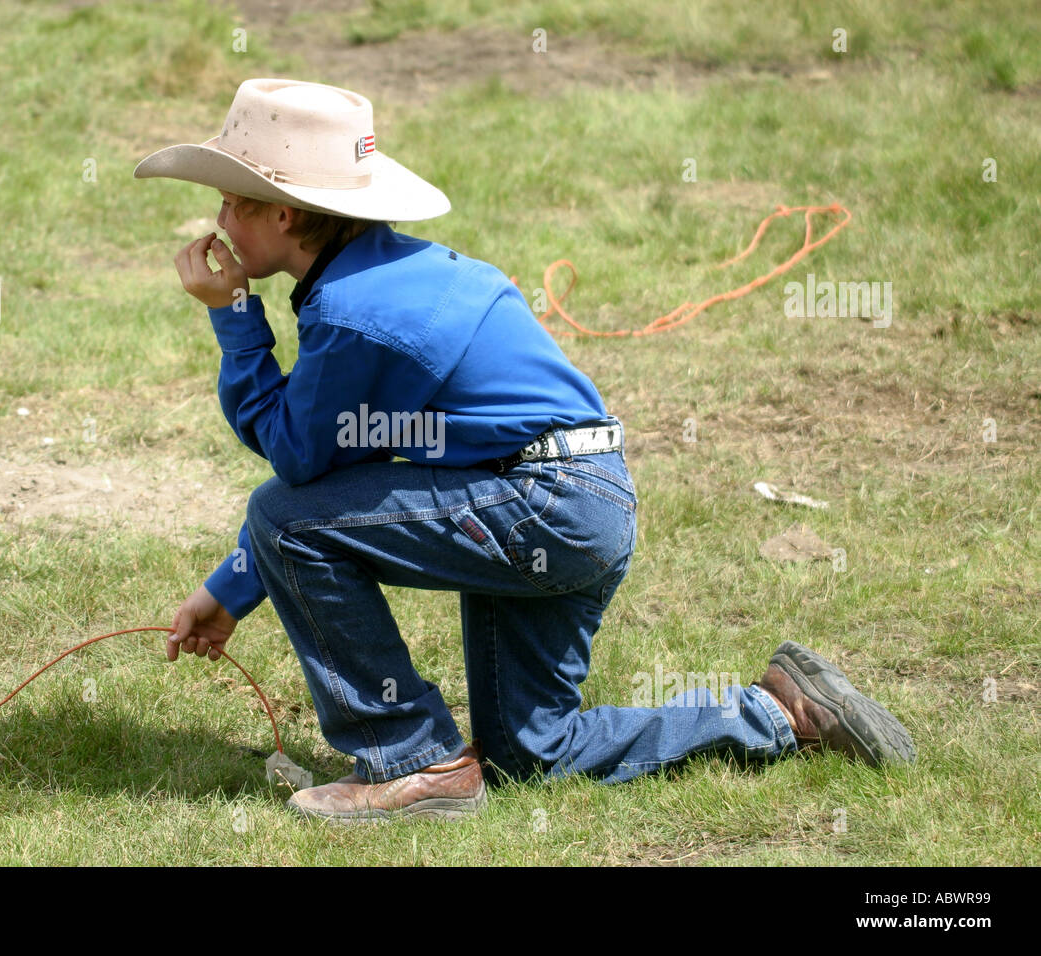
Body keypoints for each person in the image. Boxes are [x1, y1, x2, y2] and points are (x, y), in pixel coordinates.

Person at [134, 78, 915, 822]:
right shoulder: (380, 277)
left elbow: (296, 471)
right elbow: (332, 467)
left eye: (235, 202)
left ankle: (410, 761)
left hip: (542, 505)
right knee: (532, 755)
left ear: (289, 215)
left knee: (283, 516)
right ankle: (781, 713)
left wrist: (236, 315)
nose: (219, 220)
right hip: (578, 501)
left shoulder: (358, 312)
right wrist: (230, 588)